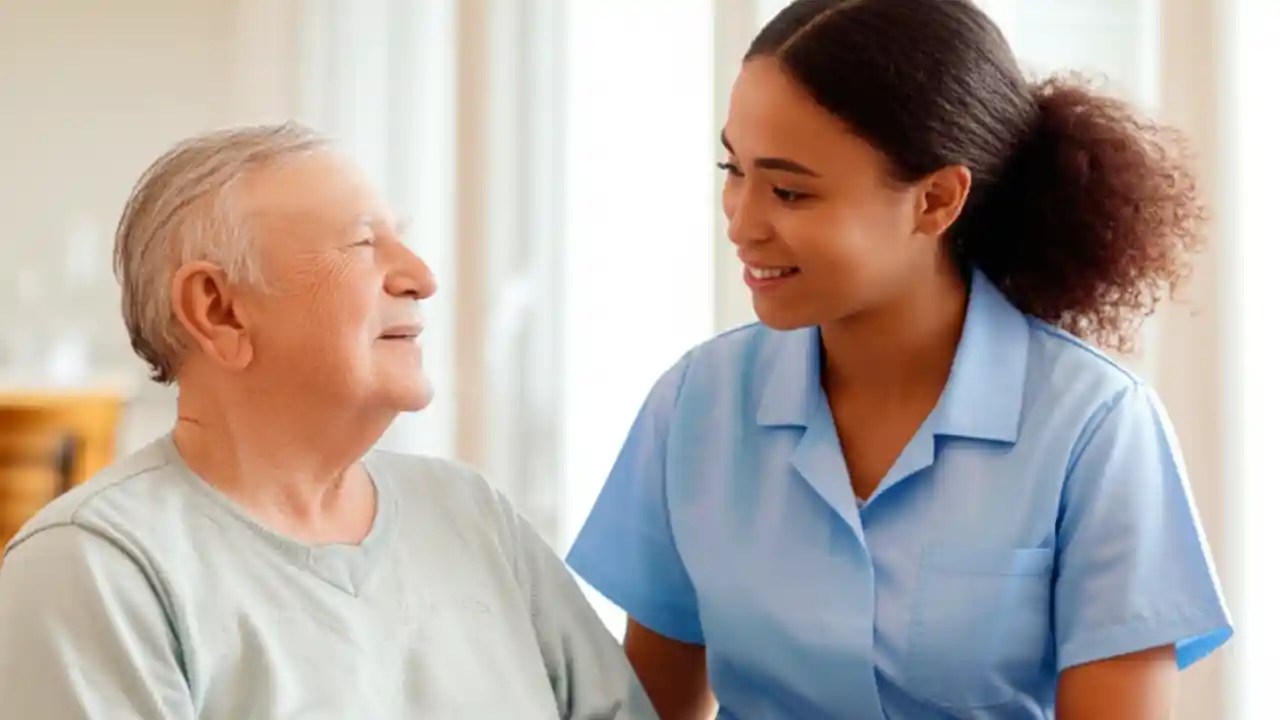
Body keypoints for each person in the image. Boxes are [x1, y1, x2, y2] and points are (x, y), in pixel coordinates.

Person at [566, 1, 1232, 718]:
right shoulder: (696, 403)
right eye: (735, 169)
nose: (742, 221)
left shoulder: (1094, 426)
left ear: (937, 200)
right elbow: (651, 708)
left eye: (790, 191)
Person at [0, 123, 656, 720]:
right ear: (219, 310)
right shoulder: (93, 567)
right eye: (365, 243)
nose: (423, 278)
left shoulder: (472, 516)